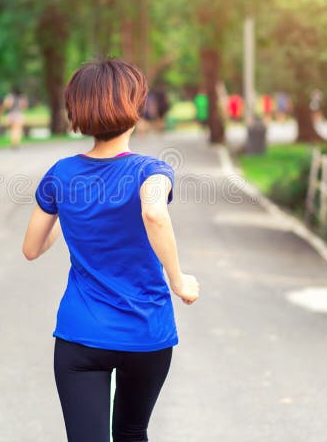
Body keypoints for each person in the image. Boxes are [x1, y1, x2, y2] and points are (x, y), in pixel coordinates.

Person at [22, 58, 199, 442]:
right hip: (145, 332)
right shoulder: (150, 170)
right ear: (134, 109)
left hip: (81, 336)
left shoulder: (61, 174)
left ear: (78, 112)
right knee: (132, 433)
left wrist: (65, 214)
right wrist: (179, 280)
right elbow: (154, 212)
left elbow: (32, 248)